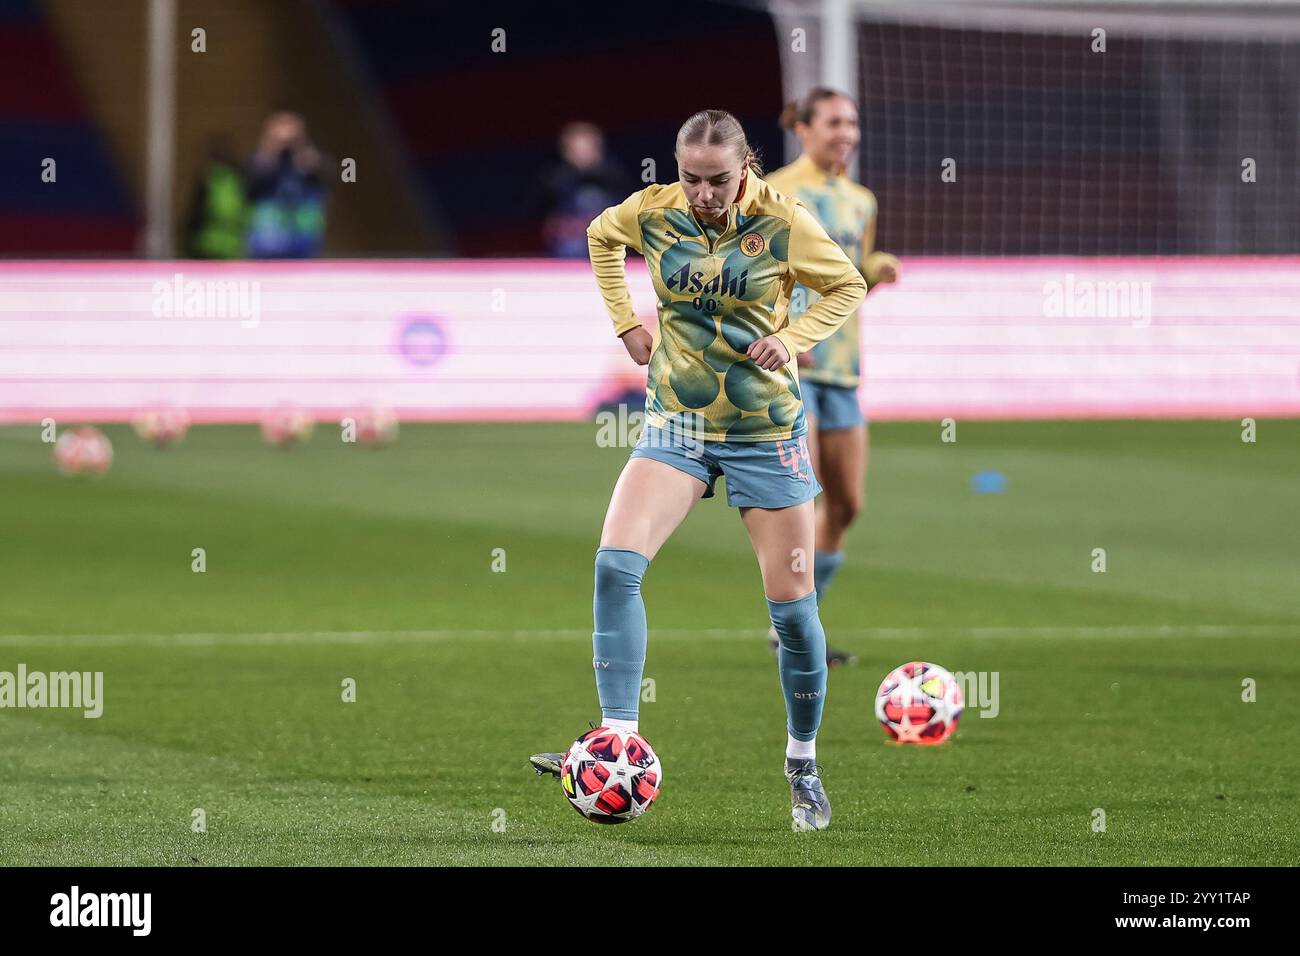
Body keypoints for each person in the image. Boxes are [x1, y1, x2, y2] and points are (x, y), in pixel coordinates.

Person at [528, 109, 866, 831]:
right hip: (676, 425)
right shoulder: (654, 212)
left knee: (796, 616)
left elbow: (847, 286)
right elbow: (597, 236)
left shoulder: (785, 222)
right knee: (615, 566)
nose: (704, 194)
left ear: (745, 168)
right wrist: (626, 322)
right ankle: (618, 735)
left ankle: (801, 762)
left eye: (718, 180)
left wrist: (791, 335)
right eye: (691, 178)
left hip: (763, 430)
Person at [763, 88, 900, 667]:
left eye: (853, 123)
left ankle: (801, 615)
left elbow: (845, 272)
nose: (847, 132)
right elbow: (759, 271)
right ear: (805, 128)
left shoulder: (860, 201)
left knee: (847, 505)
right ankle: (794, 629)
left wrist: (874, 269)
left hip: (843, 369)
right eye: (835, 122)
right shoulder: (775, 193)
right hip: (793, 364)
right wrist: (786, 332)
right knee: (805, 494)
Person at [244, 111, 326, 259]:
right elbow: (249, 185)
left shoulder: (310, 163)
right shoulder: (259, 161)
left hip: (302, 240)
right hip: (265, 240)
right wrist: (271, 148)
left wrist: (302, 152)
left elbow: (336, 176)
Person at [540, 121, 627, 258]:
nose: (583, 155)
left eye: (588, 148)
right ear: (566, 151)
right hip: (567, 254)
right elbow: (550, 225)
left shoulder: (615, 178)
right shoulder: (555, 181)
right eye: (577, 149)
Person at [181, 134, 248, 259]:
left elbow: (194, 212)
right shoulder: (210, 178)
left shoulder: (210, 178)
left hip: (218, 243)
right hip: (215, 244)